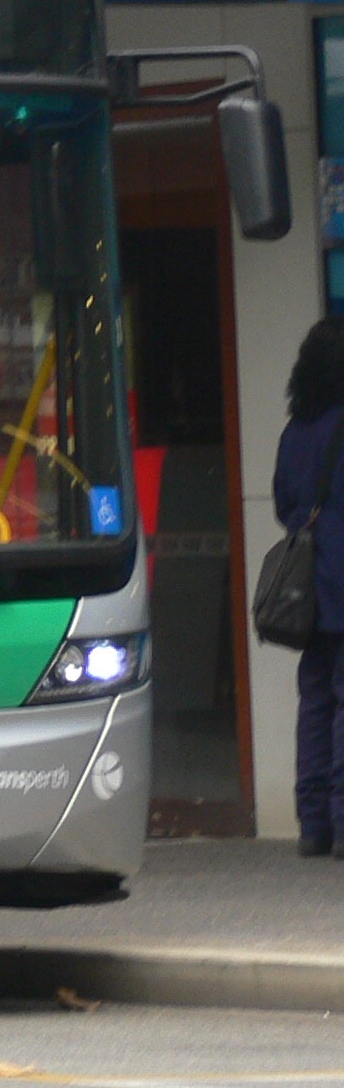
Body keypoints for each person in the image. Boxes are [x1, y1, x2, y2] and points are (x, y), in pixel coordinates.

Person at [275, 316, 344, 856]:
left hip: (309, 590)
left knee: (316, 702)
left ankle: (314, 823)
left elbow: (284, 508)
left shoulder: (295, 432)